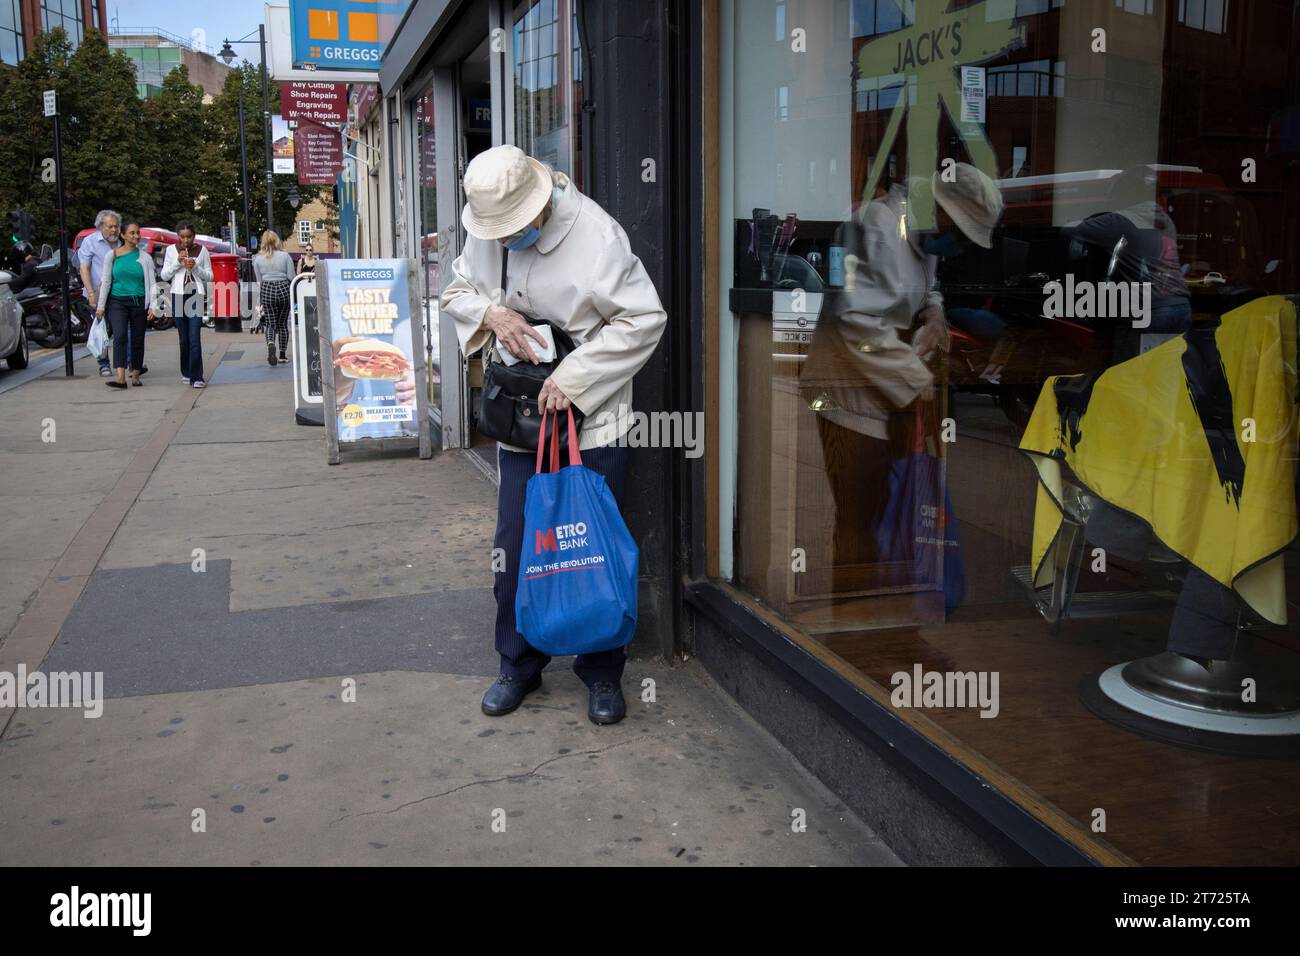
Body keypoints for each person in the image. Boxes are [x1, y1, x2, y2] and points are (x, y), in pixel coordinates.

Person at [441, 144, 667, 726]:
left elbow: (644, 318)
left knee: (587, 545)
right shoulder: (486, 229)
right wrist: (491, 315)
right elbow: (456, 288)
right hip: (522, 422)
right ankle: (518, 663)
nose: (503, 238)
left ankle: (601, 672)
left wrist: (575, 377)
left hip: (589, 421)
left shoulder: (597, 235)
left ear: (539, 205)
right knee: (517, 547)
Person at [802, 163, 1003, 593]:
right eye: (961, 234)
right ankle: (855, 615)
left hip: (883, 389)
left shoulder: (923, 230)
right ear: (939, 210)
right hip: (842, 392)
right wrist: (915, 377)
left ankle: (890, 608)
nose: (961, 248)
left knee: (885, 508)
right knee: (858, 513)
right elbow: (854, 319)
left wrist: (935, 309)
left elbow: (926, 282)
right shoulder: (873, 228)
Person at [96, 221, 157, 390]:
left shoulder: (145, 258)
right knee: (120, 336)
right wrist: (101, 307)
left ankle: (136, 374)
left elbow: (152, 284)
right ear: (123, 235)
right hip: (117, 302)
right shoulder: (112, 255)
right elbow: (106, 281)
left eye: (138, 233)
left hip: (138, 302)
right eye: (132, 233)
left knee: (137, 338)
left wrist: (153, 305)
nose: (136, 236)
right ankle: (120, 377)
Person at [78, 210, 132, 377]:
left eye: (116, 226)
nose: (114, 230)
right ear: (100, 226)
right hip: (99, 293)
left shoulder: (122, 242)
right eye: (110, 227)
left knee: (124, 329)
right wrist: (91, 293)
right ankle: (104, 364)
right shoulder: (90, 242)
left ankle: (129, 361)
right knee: (102, 330)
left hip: (120, 292)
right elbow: (84, 268)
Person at [161, 222, 213, 388]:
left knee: (194, 338)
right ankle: (186, 371)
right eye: (182, 237)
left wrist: (195, 267)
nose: (185, 240)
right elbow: (164, 275)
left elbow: (210, 276)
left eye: (188, 236)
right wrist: (178, 262)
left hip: (195, 295)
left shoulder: (202, 250)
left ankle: (197, 377)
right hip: (178, 296)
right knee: (183, 339)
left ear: (194, 236)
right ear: (178, 236)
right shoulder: (171, 251)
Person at [253, 230, 294, 366]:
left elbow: (259, 280)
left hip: (267, 289)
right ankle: (282, 354)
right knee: (282, 324)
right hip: (283, 288)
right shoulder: (285, 256)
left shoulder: (257, 259)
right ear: (277, 241)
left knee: (270, 323)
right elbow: (291, 277)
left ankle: (271, 343)